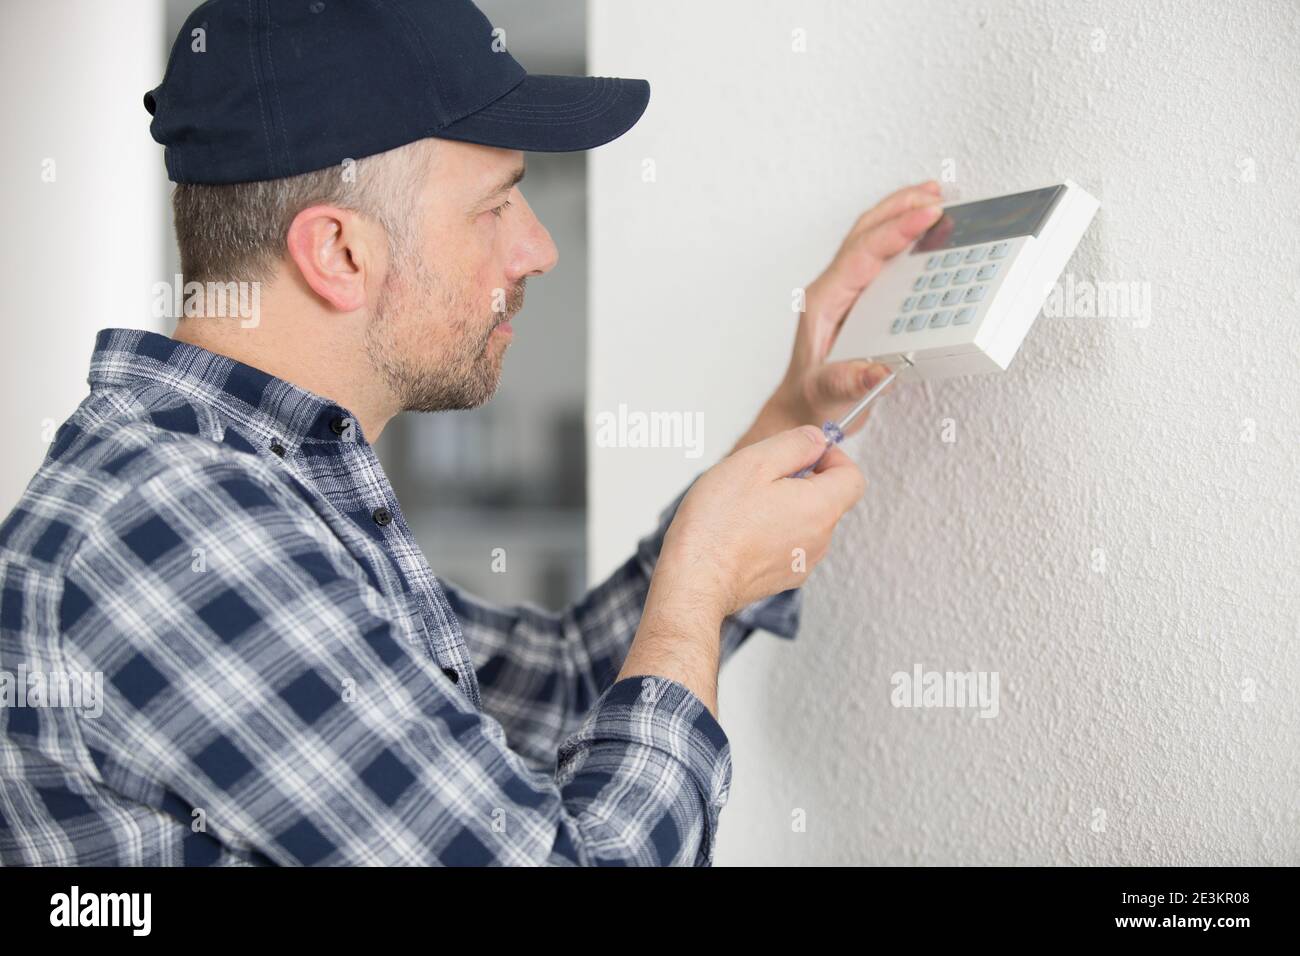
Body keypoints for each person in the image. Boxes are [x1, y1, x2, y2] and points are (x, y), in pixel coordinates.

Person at [0, 0, 942, 865]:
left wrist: (794, 415)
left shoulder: (257, 485)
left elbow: (568, 682)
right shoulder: (182, 533)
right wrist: (694, 591)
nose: (538, 247)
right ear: (340, 252)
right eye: (495, 204)